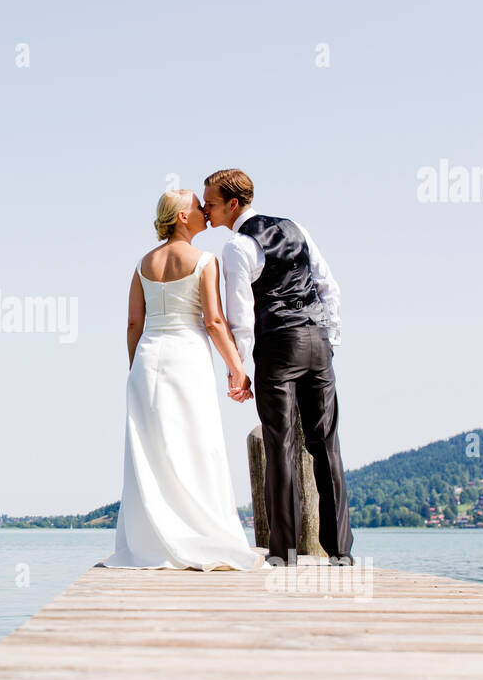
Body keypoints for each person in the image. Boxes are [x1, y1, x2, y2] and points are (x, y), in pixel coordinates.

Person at [99, 189, 269, 571]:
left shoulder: (143, 263)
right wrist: (238, 367)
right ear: (180, 217)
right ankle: (202, 535)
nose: (204, 211)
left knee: (151, 448)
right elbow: (213, 321)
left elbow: (132, 324)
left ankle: (151, 540)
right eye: (197, 206)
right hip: (186, 357)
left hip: (147, 360)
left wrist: (134, 369)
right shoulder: (205, 260)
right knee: (197, 441)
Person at [202, 168, 353, 566]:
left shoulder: (237, 246)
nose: (206, 209)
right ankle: (341, 552)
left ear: (233, 204)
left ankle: (283, 552)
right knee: (326, 445)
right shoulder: (296, 226)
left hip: (277, 348)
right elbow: (327, 285)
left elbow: (242, 314)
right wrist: (330, 338)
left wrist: (242, 368)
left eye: (211, 203)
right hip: (317, 342)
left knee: (280, 444)